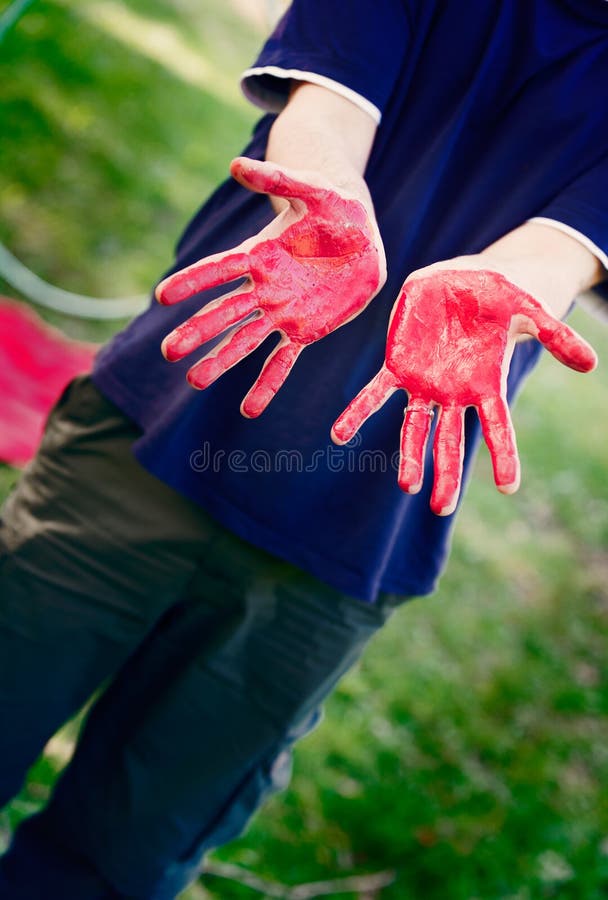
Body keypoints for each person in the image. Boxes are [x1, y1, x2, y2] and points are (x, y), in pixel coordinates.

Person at [1, 1, 606, 897]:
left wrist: (504, 287)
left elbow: (563, 247)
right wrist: (324, 203)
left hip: (348, 538)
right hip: (156, 431)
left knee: (120, 858)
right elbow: (327, 106)